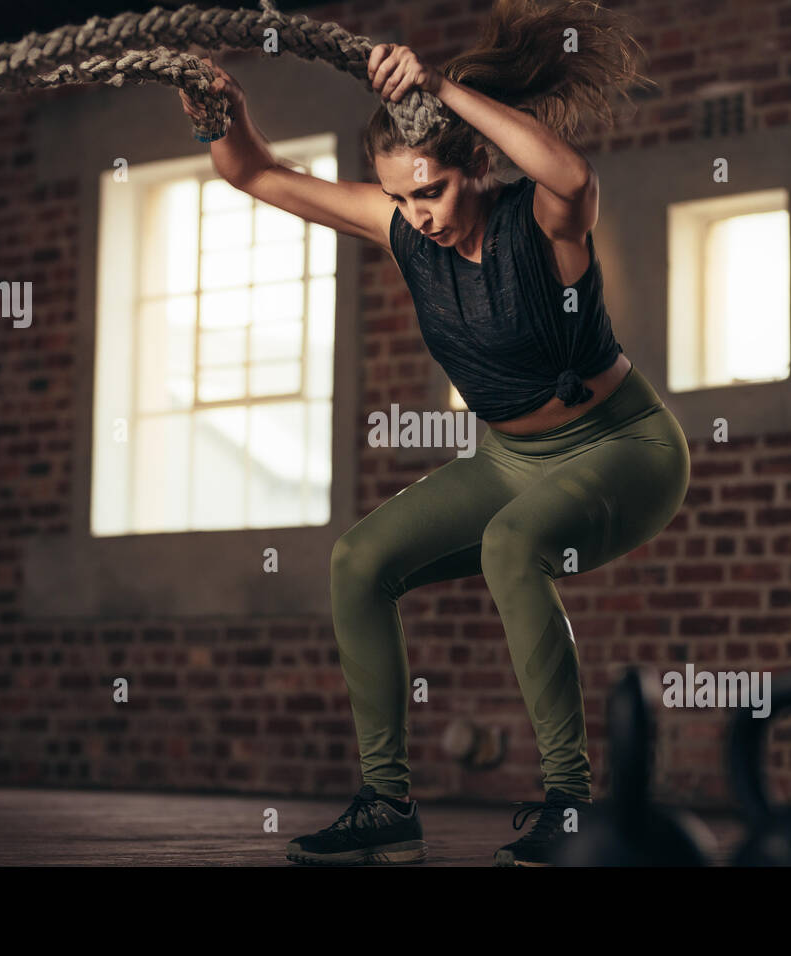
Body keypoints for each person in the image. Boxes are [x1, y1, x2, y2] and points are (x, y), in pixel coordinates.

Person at [182, 0, 687, 866]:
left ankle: (570, 805)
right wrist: (221, 113)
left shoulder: (545, 221)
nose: (416, 213)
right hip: (507, 459)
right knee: (358, 561)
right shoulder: (402, 231)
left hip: (623, 448)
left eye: (433, 189)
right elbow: (256, 174)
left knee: (510, 545)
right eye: (398, 196)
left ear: (476, 166)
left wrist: (440, 86)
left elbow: (570, 171)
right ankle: (387, 804)